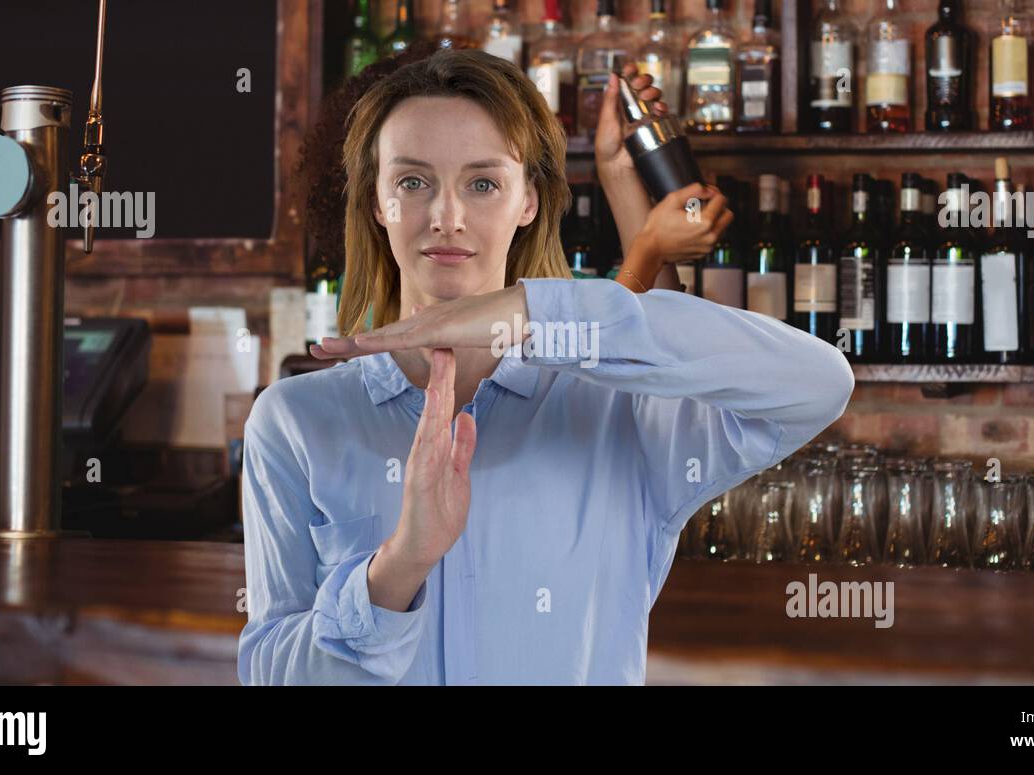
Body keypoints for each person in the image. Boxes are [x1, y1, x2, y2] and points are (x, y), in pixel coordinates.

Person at [238, 49, 854, 685]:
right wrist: (396, 567)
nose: (446, 217)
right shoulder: (293, 423)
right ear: (376, 203)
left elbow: (819, 382)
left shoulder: (617, 411)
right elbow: (272, 672)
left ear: (528, 201)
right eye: (412, 182)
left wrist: (532, 312)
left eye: (483, 184)